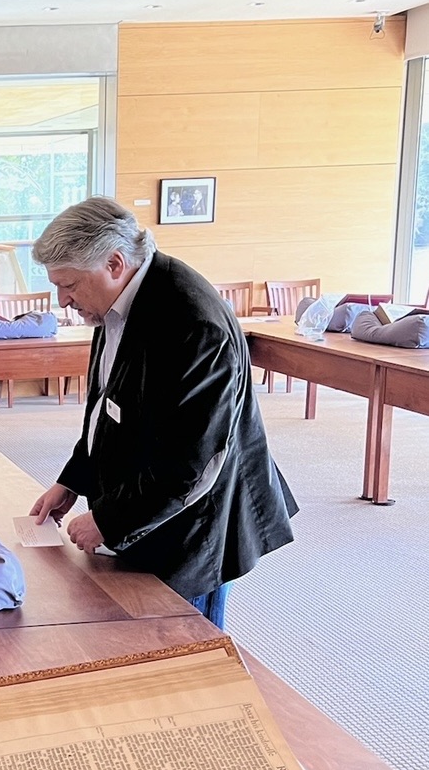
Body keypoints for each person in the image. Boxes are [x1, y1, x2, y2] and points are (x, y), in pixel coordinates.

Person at [29, 197, 297, 627]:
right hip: (147, 497)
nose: (62, 300)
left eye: (70, 285)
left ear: (114, 264)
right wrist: (71, 480)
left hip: (194, 522)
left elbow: (193, 462)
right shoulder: (115, 302)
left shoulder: (191, 322)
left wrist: (109, 521)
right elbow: (107, 409)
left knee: (183, 651)